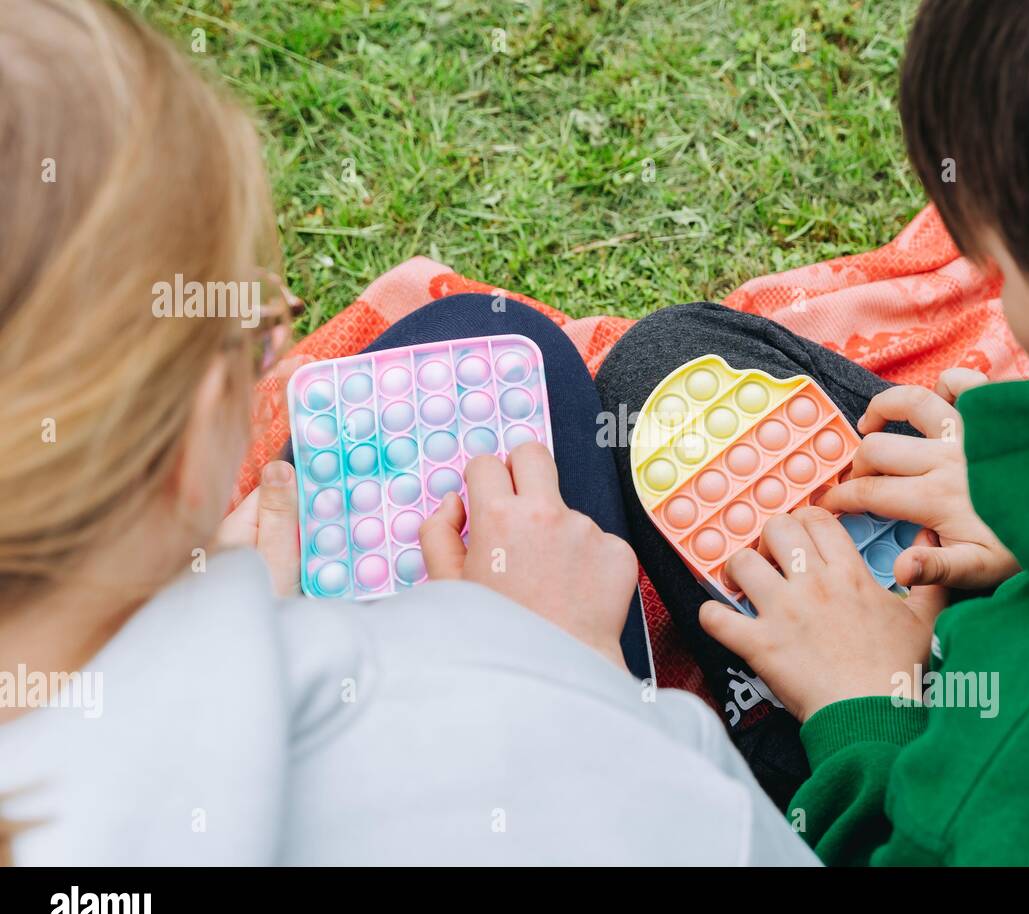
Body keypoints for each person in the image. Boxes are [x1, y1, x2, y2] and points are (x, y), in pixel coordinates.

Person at [0, 0, 815, 866]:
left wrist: (213, 624)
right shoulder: (598, 769)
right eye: (258, 336)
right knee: (494, 338)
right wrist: (565, 668)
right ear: (199, 428)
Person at [596, 0, 1029, 864]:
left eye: (1002, 266)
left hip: (936, 774)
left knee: (656, 371)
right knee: (676, 362)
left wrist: (869, 707)